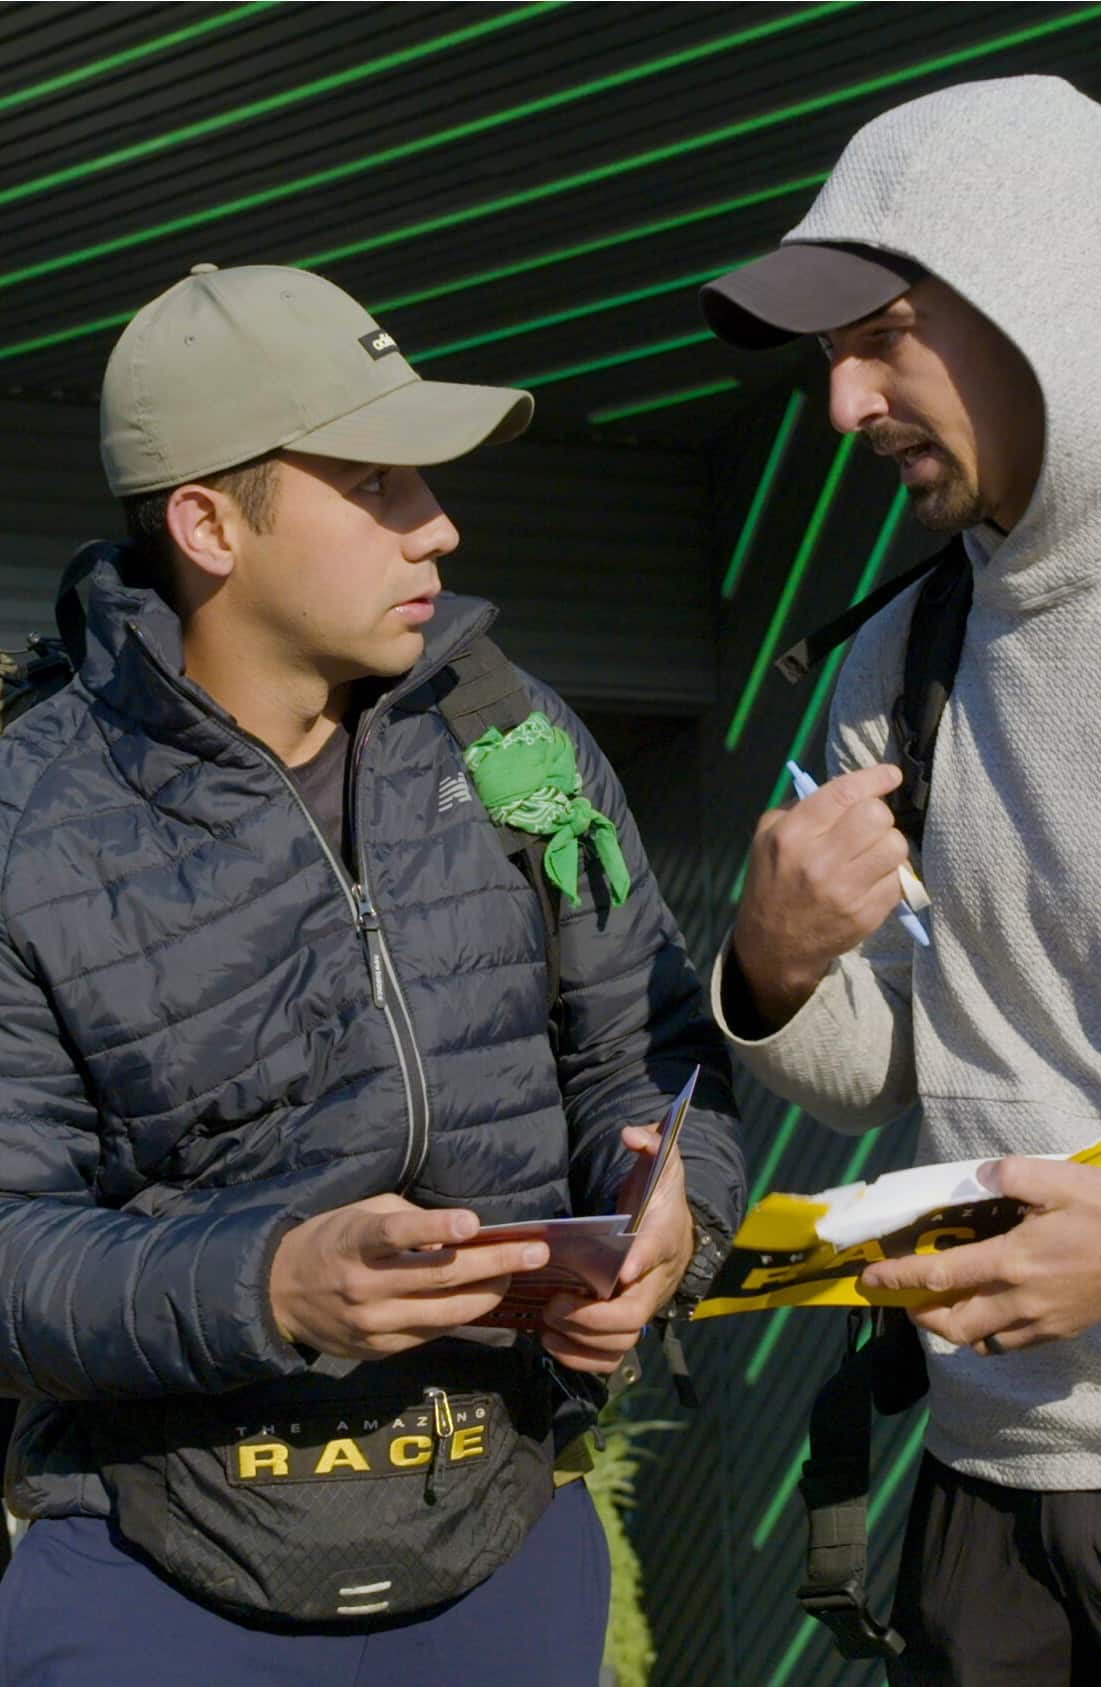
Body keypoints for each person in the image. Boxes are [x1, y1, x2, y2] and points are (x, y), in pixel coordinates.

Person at [0, 262, 745, 1684]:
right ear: (208, 523)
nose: (441, 527)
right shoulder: (24, 829)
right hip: (151, 1577)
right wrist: (267, 1286)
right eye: (378, 485)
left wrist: (672, 1212)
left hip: (509, 1548)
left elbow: (651, 1057)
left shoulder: (517, 738)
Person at [701, 74, 1101, 1684]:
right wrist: (774, 972)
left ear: (1040, 302)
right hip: (987, 1492)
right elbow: (896, 1069)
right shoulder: (904, 650)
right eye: (825, 358)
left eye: (884, 333)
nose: (843, 405)